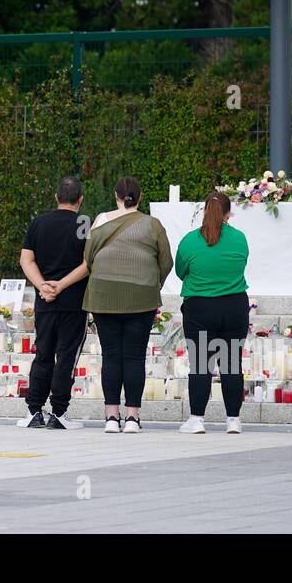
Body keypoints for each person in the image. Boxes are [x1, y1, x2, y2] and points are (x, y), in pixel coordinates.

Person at [77, 176, 173, 434]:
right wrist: (154, 284)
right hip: (141, 296)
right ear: (139, 197)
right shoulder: (152, 225)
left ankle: (111, 417)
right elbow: (166, 262)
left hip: (104, 294)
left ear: (116, 196)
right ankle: (132, 417)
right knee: (134, 356)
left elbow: (88, 258)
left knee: (110, 355)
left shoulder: (99, 221)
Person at [175, 190, 250, 435]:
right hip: (234, 306)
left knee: (201, 364)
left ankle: (197, 419)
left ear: (204, 211)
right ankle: (233, 420)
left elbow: (180, 271)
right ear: (229, 214)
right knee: (231, 364)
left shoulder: (190, 240)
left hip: (200, 307)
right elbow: (240, 265)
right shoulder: (240, 239)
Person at [18, 175, 90, 430]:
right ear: (80, 199)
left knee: (44, 354)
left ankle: (33, 411)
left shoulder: (39, 222)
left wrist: (43, 286)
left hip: (44, 301)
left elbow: (26, 260)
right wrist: (61, 285)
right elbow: (87, 263)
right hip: (74, 301)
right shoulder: (84, 222)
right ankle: (59, 412)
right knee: (66, 356)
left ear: (56, 197)